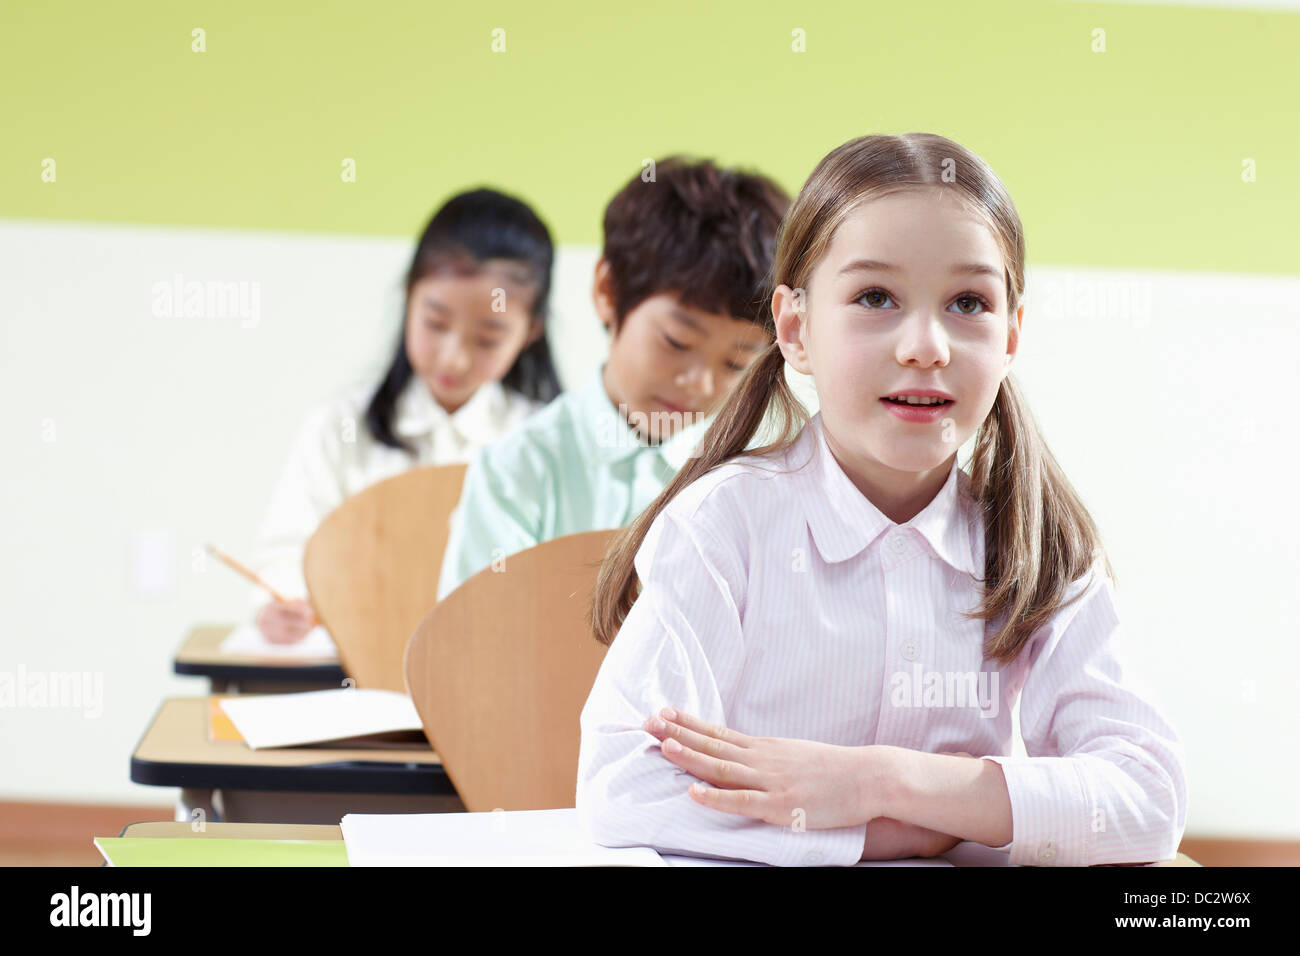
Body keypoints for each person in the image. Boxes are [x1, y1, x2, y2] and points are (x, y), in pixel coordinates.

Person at [577, 133, 1187, 867]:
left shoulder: (1036, 543)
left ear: (1012, 335)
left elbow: (1148, 795)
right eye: (875, 297)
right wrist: (878, 836)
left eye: (968, 302)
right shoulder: (723, 526)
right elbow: (623, 784)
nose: (925, 345)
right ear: (796, 329)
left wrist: (882, 781)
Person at [435, 157, 789, 601]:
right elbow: (474, 647)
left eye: (736, 365)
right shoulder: (516, 472)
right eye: (676, 342)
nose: (699, 383)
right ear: (607, 291)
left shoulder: (754, 473)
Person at [254, 188, 560, 642]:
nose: (452, 358)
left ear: (530, 332)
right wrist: (281, 605)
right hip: (350, 680)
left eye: (488, 338)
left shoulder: (544, 441)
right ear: (408, 297)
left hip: (500, 686)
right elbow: (286, 555)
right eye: (435, 324)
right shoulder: (340, 430)